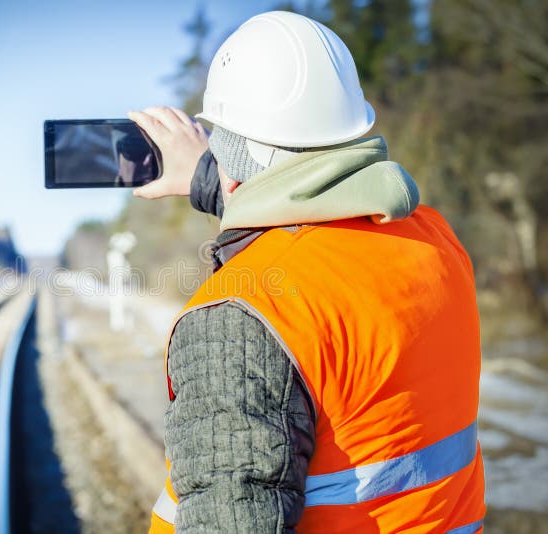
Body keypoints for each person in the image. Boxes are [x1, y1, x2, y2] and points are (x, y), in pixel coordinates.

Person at [128, 11, 486, 534]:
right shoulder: (434, 241)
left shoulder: (242, 319)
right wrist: (219, 172)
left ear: (236, 158)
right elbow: (314, 207)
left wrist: (229, 175)